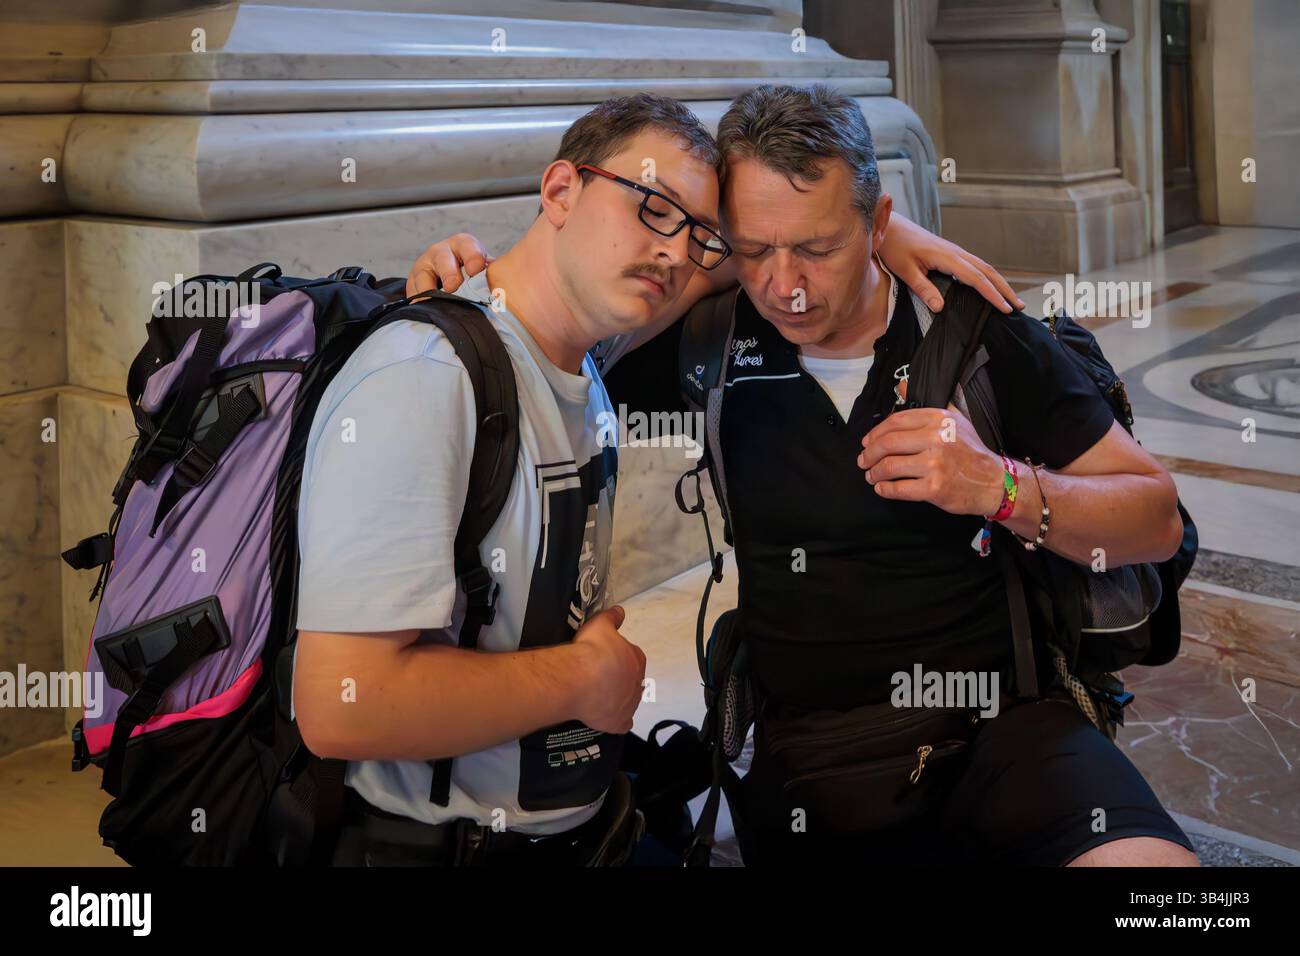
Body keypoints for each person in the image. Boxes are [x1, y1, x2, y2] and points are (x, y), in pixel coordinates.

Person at [408, 84, 1197, 867]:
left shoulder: (975, 331)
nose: (786, 285)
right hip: (813, 756)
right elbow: (548, 317)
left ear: (878, 224)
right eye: (753, 250)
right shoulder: (708, 343)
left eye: (819, 249)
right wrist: (472, 286)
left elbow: (1155, 520)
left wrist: (999, 486)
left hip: (1007, 727)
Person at [292, 93, 726, 866]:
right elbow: (338, 704)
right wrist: (579, 682)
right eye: (655, 208)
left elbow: (752, 251)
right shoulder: (424, 380)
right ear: (561, 191)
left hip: (573, 823)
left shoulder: (583, 350)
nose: (675, 252)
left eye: (698, 234)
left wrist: (872, 228)